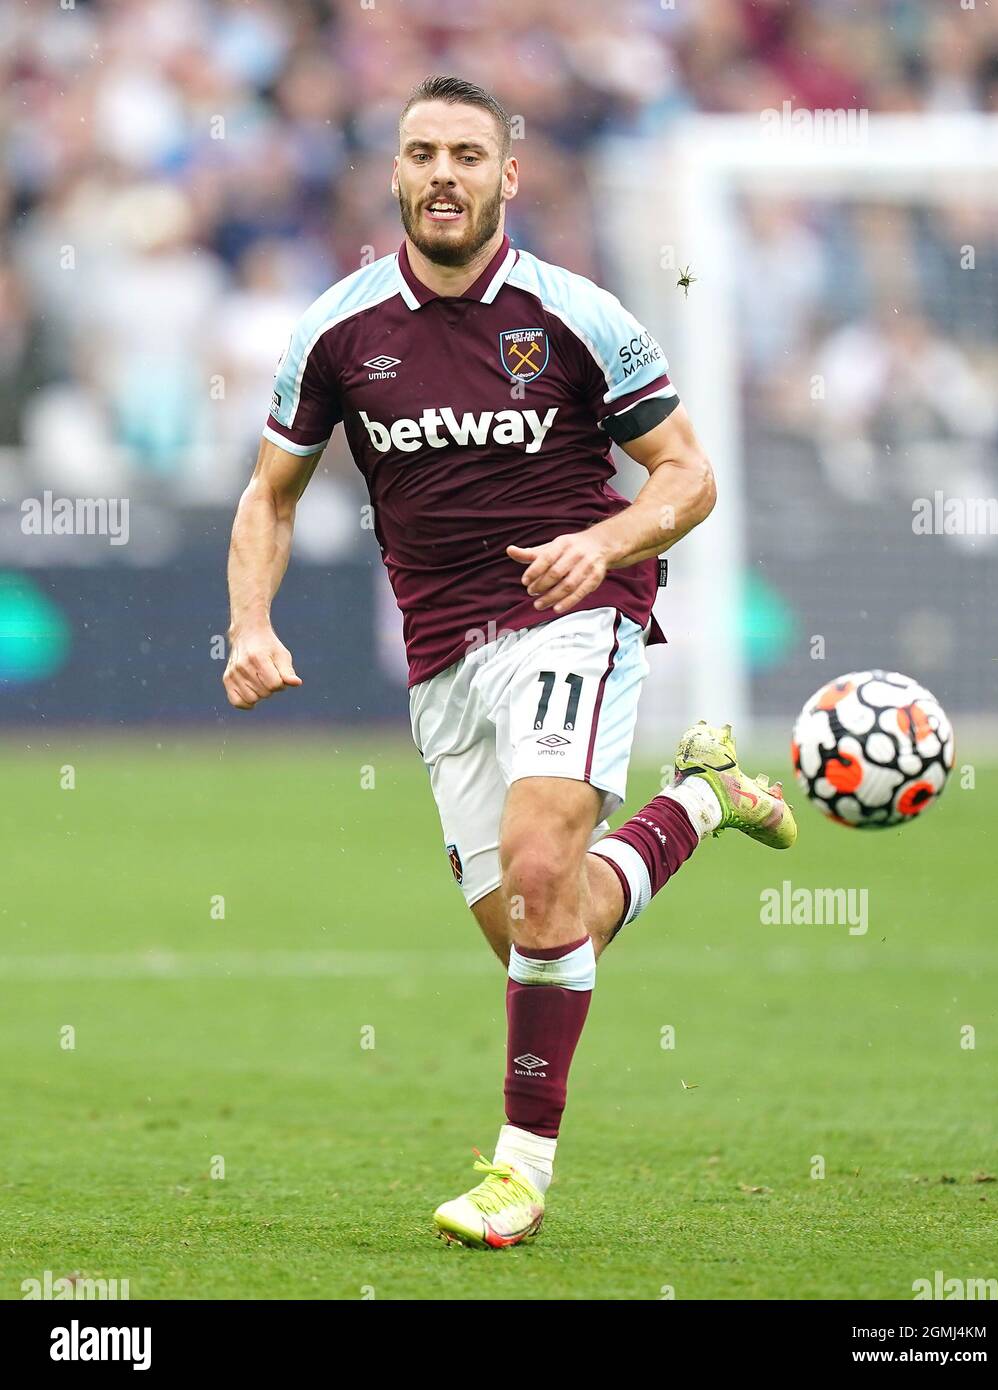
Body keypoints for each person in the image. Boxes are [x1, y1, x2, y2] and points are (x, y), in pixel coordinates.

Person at [223, 75, 796, 1249]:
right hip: (441, 654)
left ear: (507, 177)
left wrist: (601, 541)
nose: (443, 174)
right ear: (393, 174)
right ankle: (698, 802)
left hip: (574, 613)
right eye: (422, 153)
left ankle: (517, 1175)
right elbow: (269, 492)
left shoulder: (579, 315)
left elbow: (686, 475)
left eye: (467, 156)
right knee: (546, 926)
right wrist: (250, 623)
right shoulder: (335, 331)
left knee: (539, 875)